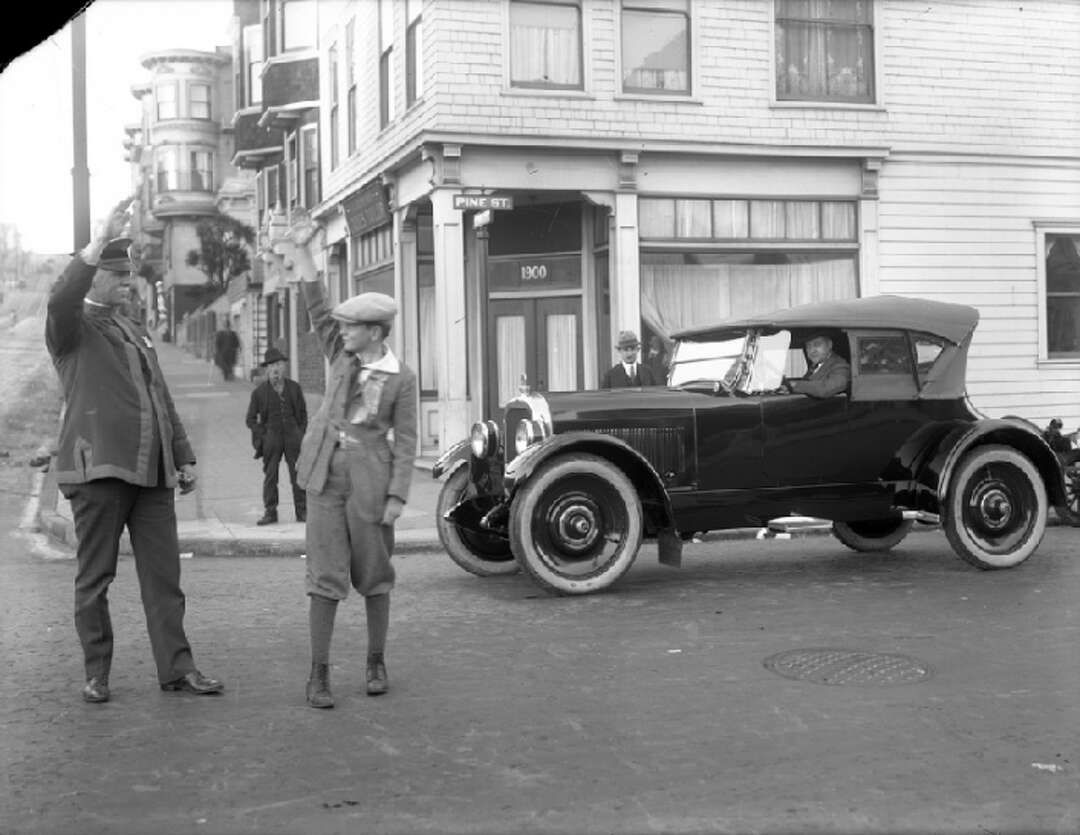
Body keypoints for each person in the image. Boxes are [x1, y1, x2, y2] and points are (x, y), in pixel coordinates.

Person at [45, 198, 224, 704]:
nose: (127, 282)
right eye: (117, 275)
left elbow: (160, 396)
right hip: (99, 471)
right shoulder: (71, 328)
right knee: (95, 578)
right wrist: (95, 242)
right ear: (94, 276)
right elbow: (61, 298)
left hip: (152, 472)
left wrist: (183, 456)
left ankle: (177, 669)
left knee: (165, 578)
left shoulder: (133, 328)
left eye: (128, 275)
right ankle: (96, 673)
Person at [269, 212, 418, 709]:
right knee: (324, 578)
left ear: (375, 332)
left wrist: (397, 497)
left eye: (352, 326)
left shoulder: (402, 379)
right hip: (323, 480)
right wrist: (302, 251)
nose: (344, 331)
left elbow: (407, 440)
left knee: (375, 576)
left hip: (371, 486)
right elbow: (317, 306)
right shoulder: (339, 356)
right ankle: (319, 675)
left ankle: (376, 661)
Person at [246, 347, 308, 525]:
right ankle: (270, 512)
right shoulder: (259, 393)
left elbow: (303, 415)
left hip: (293, 436)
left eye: (279, 364)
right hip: (271, 437)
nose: (275, 369)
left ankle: (302, 511)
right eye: (272, 365)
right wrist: (263, 435)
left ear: (284, 367)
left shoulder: (294, 388)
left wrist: (300, 433)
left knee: (297, 474)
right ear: (267, 369)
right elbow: (250, 419)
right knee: (271, 476)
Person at [781, 332, 851, 398]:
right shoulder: (815, 367)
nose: (812, 350)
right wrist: (788, 389)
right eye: (808, 346)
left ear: (829, 345)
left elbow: (825, 389)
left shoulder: (841, 366)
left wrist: (795, 385)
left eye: (817, 345)